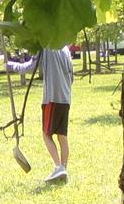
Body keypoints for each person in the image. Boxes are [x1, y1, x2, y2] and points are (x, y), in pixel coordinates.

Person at [7, 45, 74, 182]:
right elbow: (71, 75)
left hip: (52, 98)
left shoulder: (45, 47)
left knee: (46, 134)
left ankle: (59, 167)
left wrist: (10, 65)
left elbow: (30, 67)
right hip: (66, 98)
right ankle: (63, 171)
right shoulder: (64, 48)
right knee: (62, 136)